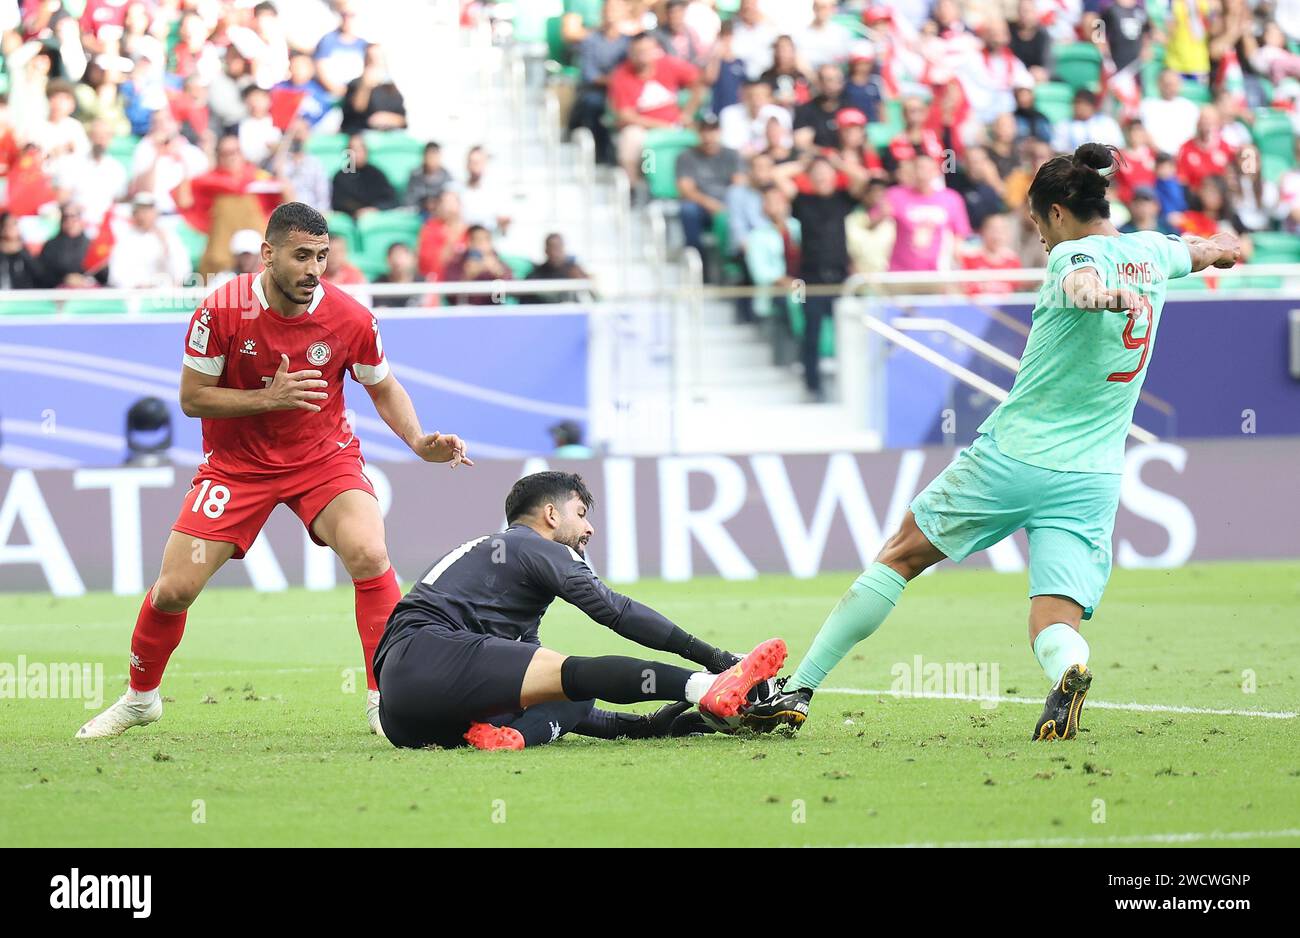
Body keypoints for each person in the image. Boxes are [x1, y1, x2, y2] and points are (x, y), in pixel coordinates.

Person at [745, 143, 1242, 741]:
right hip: (1093, 477)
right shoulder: (1153, 251)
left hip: (1015, 456)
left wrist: (1107, 296)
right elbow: (1204, 248)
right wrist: (1225, 250)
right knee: (1052, 616)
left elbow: (1084, 286)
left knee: (900, 557)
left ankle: (797, 690)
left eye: (1036, 222)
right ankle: (1070, 670)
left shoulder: (1072, 259)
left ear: (1057, 212)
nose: (1037, 237)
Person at [77, 202, 474, 741]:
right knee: (174, 589)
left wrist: (419, 440)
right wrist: (268, 399)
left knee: (369, 552)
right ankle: (141, 699)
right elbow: (193, 400)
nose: (313, 269)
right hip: (236, 468)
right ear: (268, 254)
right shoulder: (222, 310)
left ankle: (387, 699)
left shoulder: (351, 317)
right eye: (301, 256)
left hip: (322, 460)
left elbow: (382, 386)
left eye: (322, 257)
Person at [373, 471, 787, 750]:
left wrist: (642, 727)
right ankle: (706, 687)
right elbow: (615, 611)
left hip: (410, 716)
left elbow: (561, 698)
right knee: (576, 672)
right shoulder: (533, 545)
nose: (589, 528)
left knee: (569, 690)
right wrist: (715, 660)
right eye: (581, 514)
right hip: (430, 653)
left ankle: (511, 737)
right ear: (551, 515)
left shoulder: (494, 562)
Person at [674, 113, 744, 258]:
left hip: (727, 204)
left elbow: (739, 184)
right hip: (701, 205)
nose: (709, 135)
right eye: (705, 130)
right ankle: (697, 257)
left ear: (719, 132)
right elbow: (686, 190)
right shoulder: (686, 156)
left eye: (712, 130)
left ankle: (734, 261)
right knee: (688, 210)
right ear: (698, 132)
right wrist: (710, 204)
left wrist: (725, 206)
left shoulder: (732, 154)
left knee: (740, 206)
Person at [107, 192, 192, 289]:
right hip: (135, 295)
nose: (142, 215)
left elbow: (183, 271)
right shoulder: (125, 240)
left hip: (164, 296)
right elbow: (116, 275)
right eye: (139, 211)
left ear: (155, 213)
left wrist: (166, 247)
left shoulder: (169, 237)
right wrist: (138, 285)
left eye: (147, 211)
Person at [331, 133, 398, 217]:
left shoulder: (376, 174)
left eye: (362, 149)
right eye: (355, 150)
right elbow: (337, 203)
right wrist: (355, 212)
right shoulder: (340, 177)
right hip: (349, 217)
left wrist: (375, 208)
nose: (359, 154)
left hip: (374, 216)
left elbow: (390, 199)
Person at [523, 233, 591, 304]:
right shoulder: (537, 274)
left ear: (563, 248)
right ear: (546, 250)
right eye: (551, 247)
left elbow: (592, 296)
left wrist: (581, 280)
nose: (554, 252)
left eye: (557, 248)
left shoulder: (574, 271)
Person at [0, 212, 42, 289]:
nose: (11, 228)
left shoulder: (25, 251)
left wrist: (21, 251)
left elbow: (39, 274)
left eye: (14, 224)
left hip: (22, 297)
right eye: (7, 225)